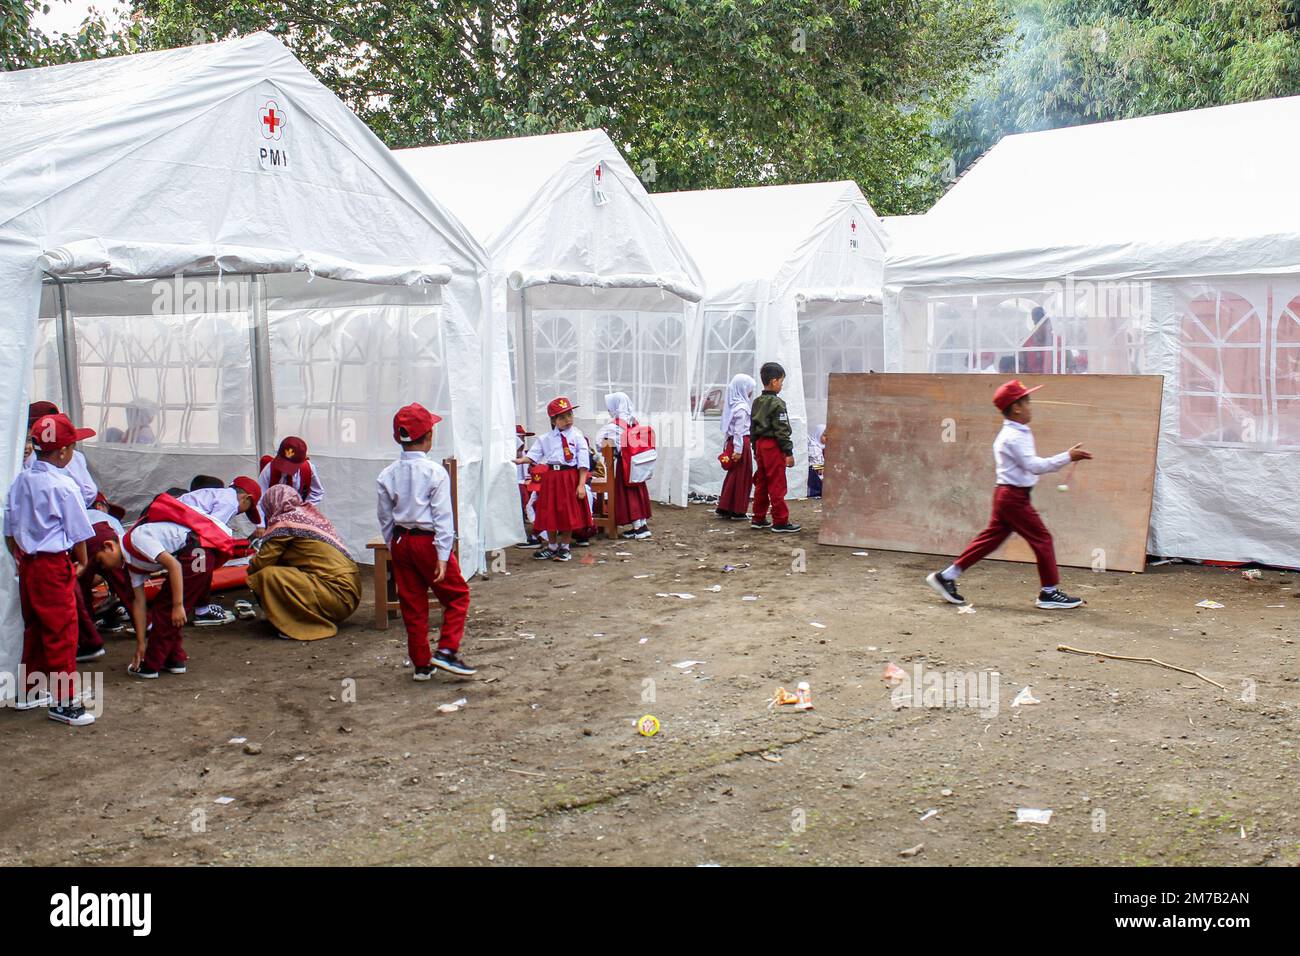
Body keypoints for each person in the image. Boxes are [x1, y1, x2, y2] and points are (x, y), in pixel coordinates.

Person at [926, 379, 1093, 610]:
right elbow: (1034, 466)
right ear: (1016, 407)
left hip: (1008, 495)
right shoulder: (1013, 437)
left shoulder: (1017, 433)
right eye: (1027, 402)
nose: (1030, 406)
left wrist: (1067, 456)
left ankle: (946, 576)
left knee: (989, 540)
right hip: (1013, 498)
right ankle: (1049, 592)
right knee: (1042, 539)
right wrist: (1067, 457)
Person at [3, 412, 98, 725]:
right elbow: (80, 531)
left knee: (35, 626)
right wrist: (83, 561)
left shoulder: (22, 478)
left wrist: (19, 553)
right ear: (63, 452)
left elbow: (10, 525)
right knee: (62, 632)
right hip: (52, 562)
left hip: (29, 563)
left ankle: (30, 689)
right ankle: (64, 701)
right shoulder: (63, 486)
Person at [377, 403, 475, 679]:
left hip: (400, 541)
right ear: (429, 436)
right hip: (428, 542)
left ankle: (421, 663)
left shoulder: (387, 474)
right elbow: (443, 516)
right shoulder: (435, 473)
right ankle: (446, 651)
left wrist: (392, 545)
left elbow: (384, 517)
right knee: (457, 596)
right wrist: (444, 554)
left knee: (413, 604)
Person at [121, 493, 236, 679]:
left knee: (165, 610)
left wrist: (178, 605)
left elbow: (173, 566)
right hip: (201, 552)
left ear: (109, 546)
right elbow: (139, 603)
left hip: (197, 553)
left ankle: (151, 665)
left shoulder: (137, 538)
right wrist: (140, 643)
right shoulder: (131, 562)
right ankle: (174, 658)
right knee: (167, 609)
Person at [247, 485, 361, 640]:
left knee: (266, 575)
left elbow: (261, 563)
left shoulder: (285, 522)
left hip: (335, 595)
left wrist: (251, 563)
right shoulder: (309, 516)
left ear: (271, 504)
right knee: (279, 568)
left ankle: (294, 622)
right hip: (349, 593)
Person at [513, 396, 591, 562]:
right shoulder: (545, 438)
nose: (567, 420)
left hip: (569, 477)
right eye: (562, 417)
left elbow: (583, 462)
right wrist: (520, 460)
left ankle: (565, 547)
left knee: (567, 513)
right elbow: (533, 455)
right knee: (550, 512)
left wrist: (581, 484)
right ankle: (552, 546)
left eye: (569, 415)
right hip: (551, 478)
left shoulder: (577, 436)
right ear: (553, 420)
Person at [749, 362, 801, 533]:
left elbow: (752, 428)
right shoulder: (777, 403)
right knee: (777, 483)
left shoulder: (756, 402)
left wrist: (755, 449)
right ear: (773, 381)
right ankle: (780, 521)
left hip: (760, 445)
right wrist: (788, 452)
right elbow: (782, 430)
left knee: (762, 482)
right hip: (773, 446)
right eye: (781, 381)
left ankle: (758, 517)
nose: (782, 385)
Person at [596, 391, 653, 540]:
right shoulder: (634, 421)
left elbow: (599, 442)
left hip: (625, 464)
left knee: (628, 495)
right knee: (638, 492)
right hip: (638, 465)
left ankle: (637, 528)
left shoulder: (615, 426)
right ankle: (642, 525)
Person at [23, 402, 98, 507]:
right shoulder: (67, 487)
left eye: (30, 440)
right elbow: (89, 492)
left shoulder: (20, 480)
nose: (26, 446)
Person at [715, 373, 756, 520]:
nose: (750, 392)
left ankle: (725, 507)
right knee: (742, 477)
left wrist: (729, 447)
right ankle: (738, 510)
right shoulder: (742, 408)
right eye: (749, 389)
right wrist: (738, 451)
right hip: (741, 444)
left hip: (733, 443)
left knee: (733, 475)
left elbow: (728, 430)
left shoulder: (732, 405)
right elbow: (739, 431)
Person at [258, 436, 324, 505]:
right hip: (273, 510)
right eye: (282, 463)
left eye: (290, 466)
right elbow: (260, 498)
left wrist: (305, 508)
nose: (285, 469)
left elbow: (317, 492)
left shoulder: (308, 469)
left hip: (299, 509)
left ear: (303, 461)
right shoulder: (269, 470)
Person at [807, 425, 826, 499]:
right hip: (815, 474)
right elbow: (814, 465)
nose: (827, 438)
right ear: (819, 434)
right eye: (824, 435)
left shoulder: (823, 447)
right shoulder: (814, 447)